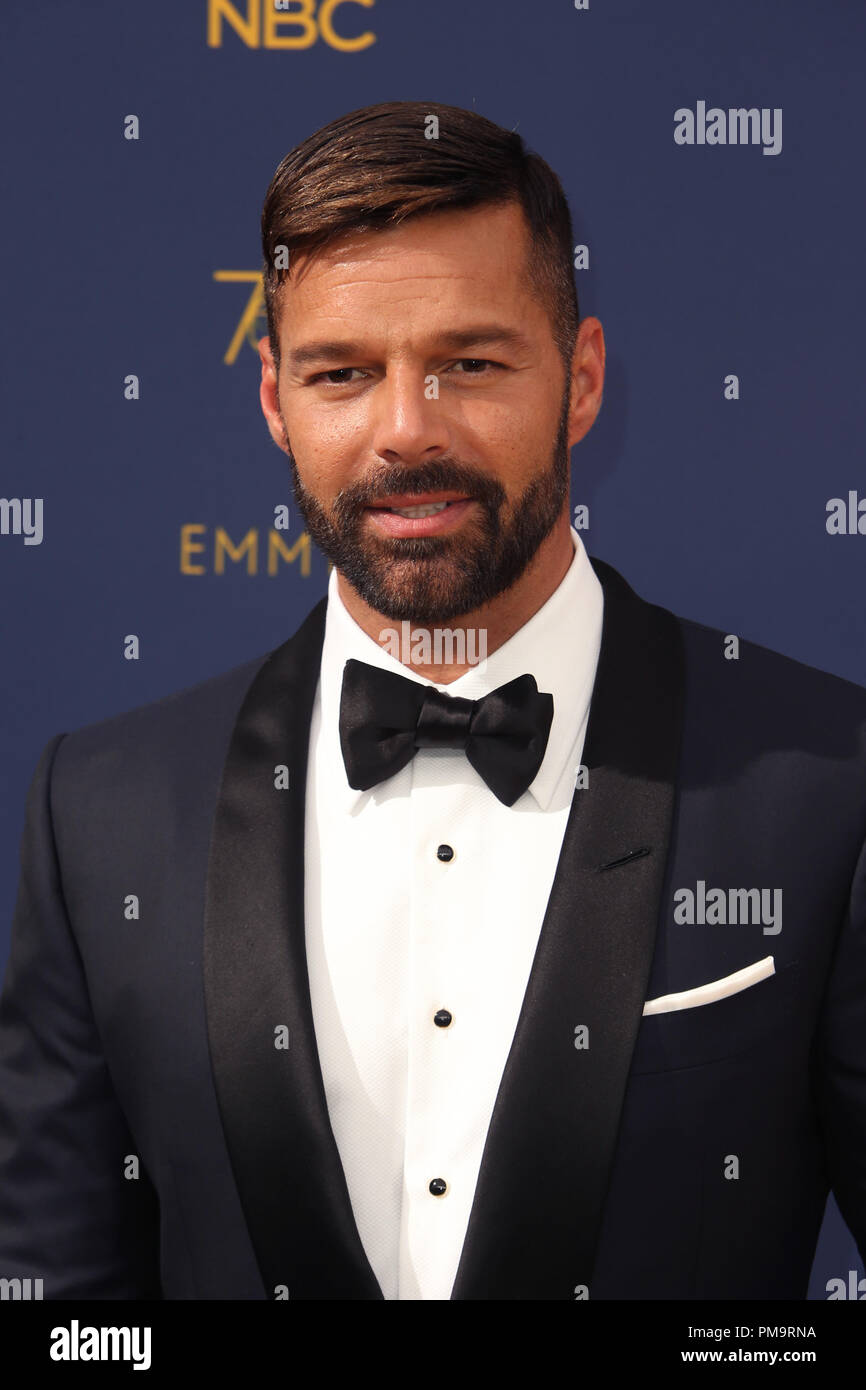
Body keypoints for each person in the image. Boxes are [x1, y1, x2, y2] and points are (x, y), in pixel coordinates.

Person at [1, 100, 864, 1302]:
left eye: (469, 362)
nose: (405, 430)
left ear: (581, 379)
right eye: (343, 372)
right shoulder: (97, 816)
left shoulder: (829, 789)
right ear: (273, 403)